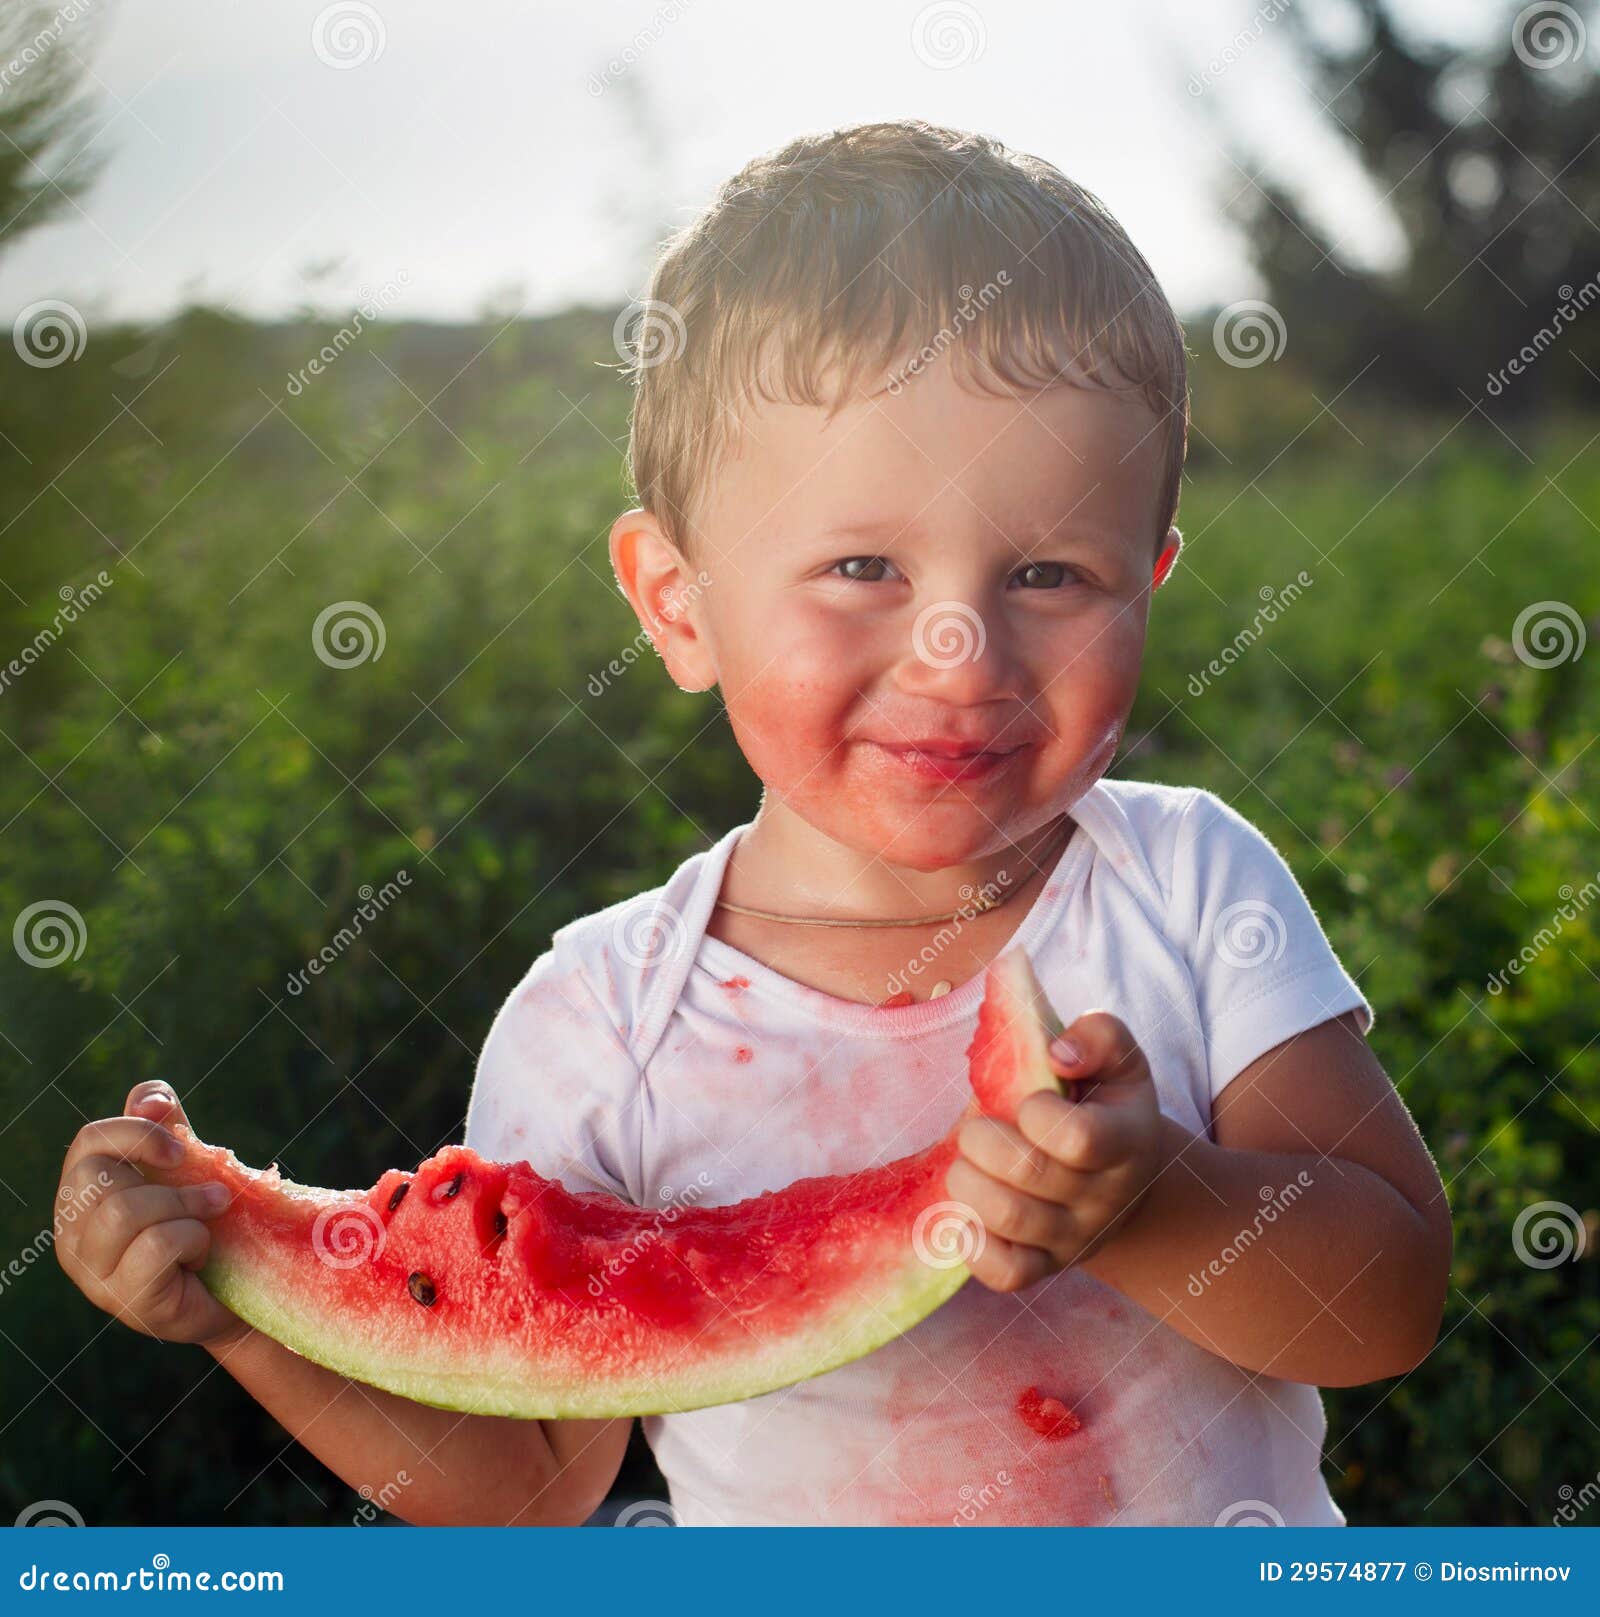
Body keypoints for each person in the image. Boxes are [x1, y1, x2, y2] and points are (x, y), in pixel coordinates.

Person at [55, 119, 1450, 1526]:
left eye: (1050, 571)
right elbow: (531, 1481)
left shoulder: (1193, 883)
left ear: (1150, 582)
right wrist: (240, 1295)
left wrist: (1166, 1204)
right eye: (860, 566)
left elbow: (1387, 1302)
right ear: (677, 602)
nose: (961, 648)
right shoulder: (606, 1021)